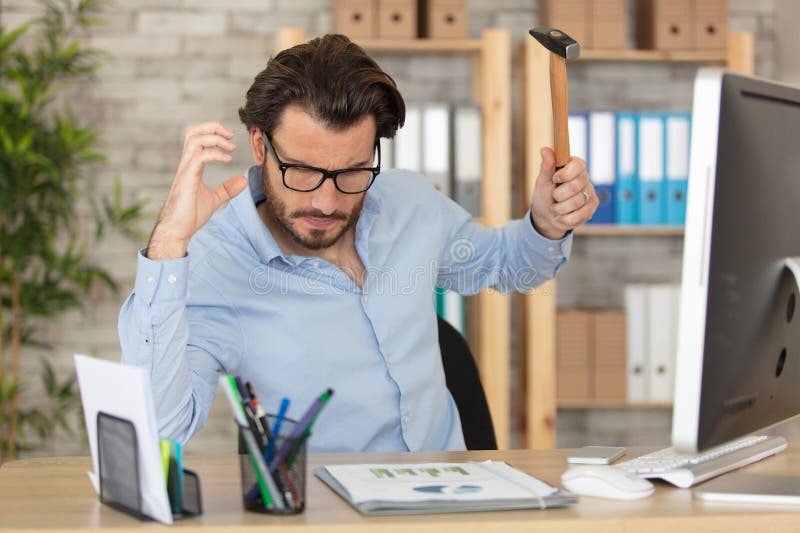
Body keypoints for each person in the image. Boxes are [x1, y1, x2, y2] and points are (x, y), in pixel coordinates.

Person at [118, 34, 597, 453]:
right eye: (303, 171)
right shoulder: (214, 267)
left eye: (351, 172)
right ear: (260, 145)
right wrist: (168, 243)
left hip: (452, 501)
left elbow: (508, 264)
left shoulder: (408, 203)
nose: (327, 203)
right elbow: (162, 426)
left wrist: (547, 222)